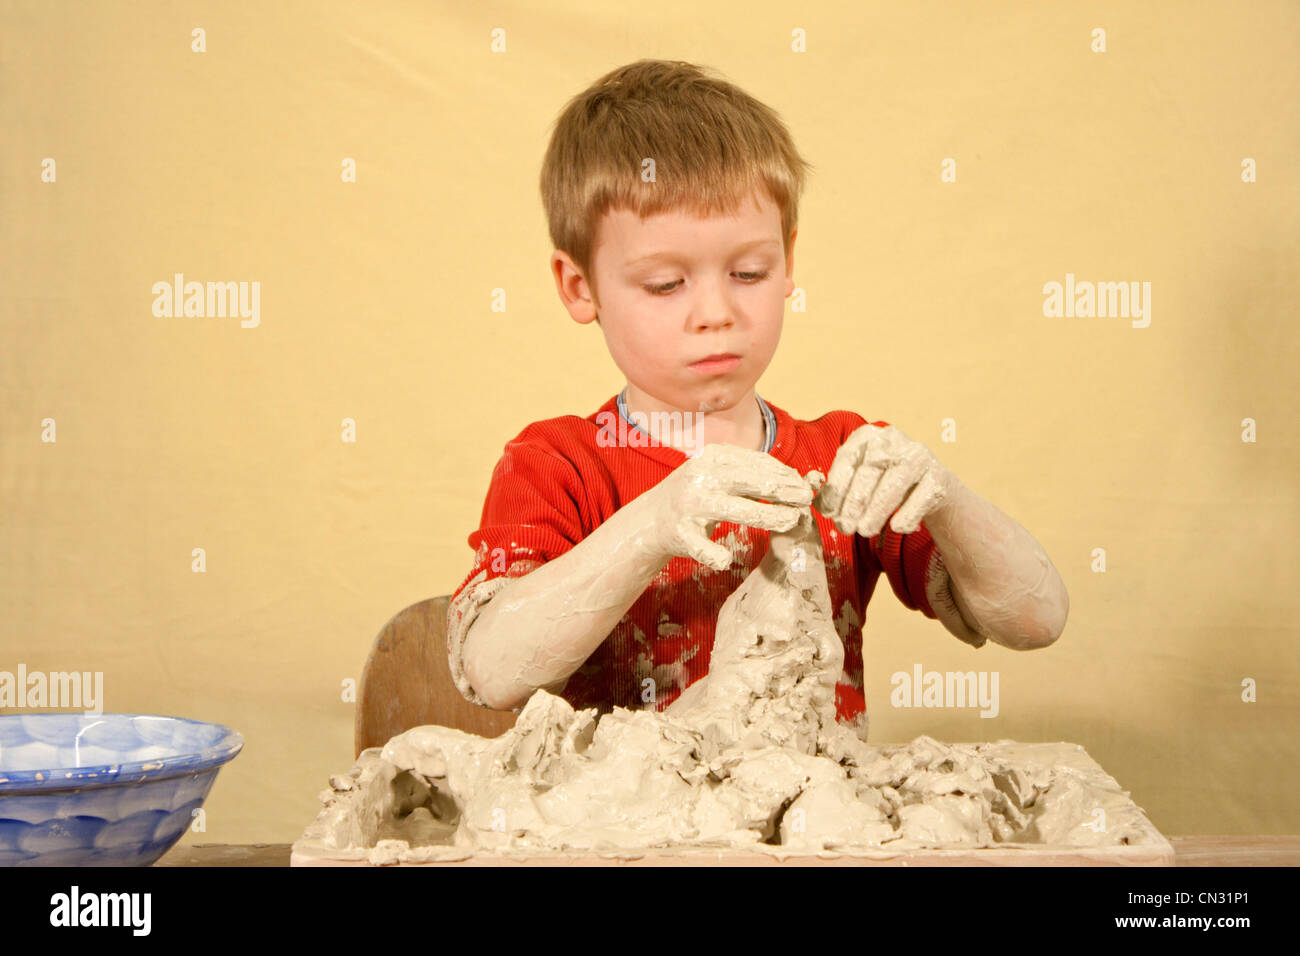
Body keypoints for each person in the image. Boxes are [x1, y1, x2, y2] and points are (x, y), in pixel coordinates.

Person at [447, 59, 1068, 739]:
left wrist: (946, 498)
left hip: (805, 827)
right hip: (627, 835)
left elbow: (1037, 622)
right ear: (579, 286)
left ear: (788, 262)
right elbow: (491, 671)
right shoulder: (557, 464)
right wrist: (658, 523)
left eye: (748, 272)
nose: (715, 312)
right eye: (664, 284)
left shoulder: (838, 458)